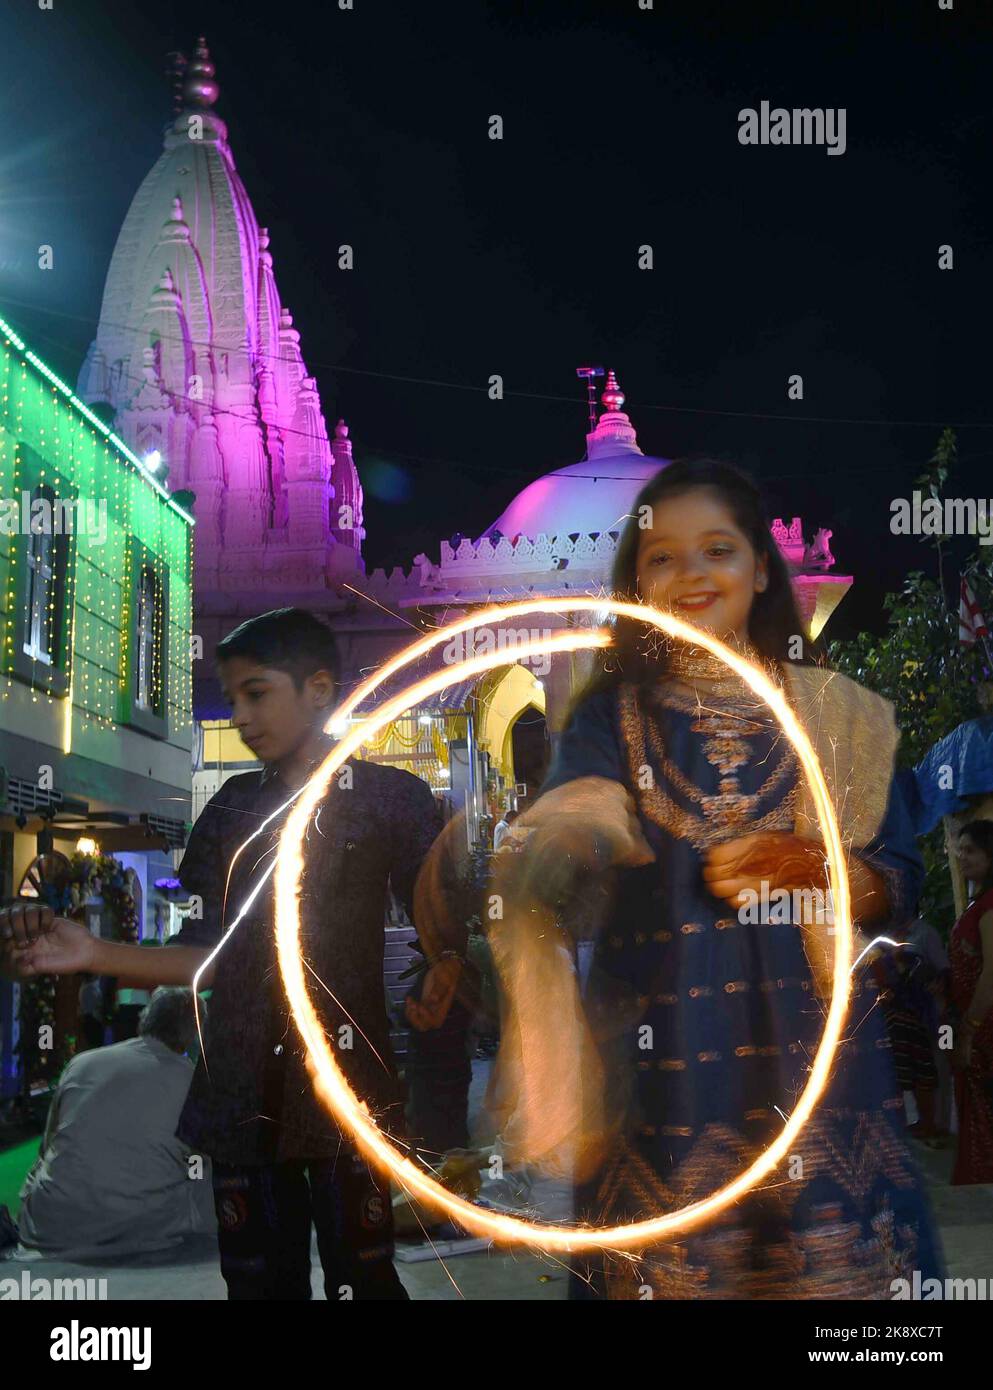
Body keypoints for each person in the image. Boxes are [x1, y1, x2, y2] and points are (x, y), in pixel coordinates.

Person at [424, 458, 943, 1299]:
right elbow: (574, 824)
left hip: (821, 1078)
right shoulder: (607, 716)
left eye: (716, 549)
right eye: (661, 558)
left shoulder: (838, 715)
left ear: (760, 567)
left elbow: (898, 883)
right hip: (664, 1083)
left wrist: (814, 867)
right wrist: (564, 835)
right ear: (635, 580)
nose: (691, 575)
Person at [1, 608, 443, 1300]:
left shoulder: (389, 799)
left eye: (256, 693)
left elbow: (445, 913)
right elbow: (204, 955)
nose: (239, 714)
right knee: (258, 1286)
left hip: (346, 1087)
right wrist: (92, 951)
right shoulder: (233, 810)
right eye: (231, 696)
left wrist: (453, 968)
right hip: (240, 1098)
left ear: (320, 689)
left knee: (365, 1278)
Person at [13, 988, 215, 1260]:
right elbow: (198, 1164)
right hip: (137, 1227)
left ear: (143, 1021)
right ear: (195, 1035)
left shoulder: (82, 1063)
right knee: (205, 1173)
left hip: (50, 1223)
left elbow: (47, 1147)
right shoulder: (194, 1083)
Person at [949, 821, 993, 1184]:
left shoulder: (991, 906)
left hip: (985, 1031)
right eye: (960, 849)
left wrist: (969, 1031)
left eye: (971, 850)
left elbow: (991, 974)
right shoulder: (978, 903)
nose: (961, 857)